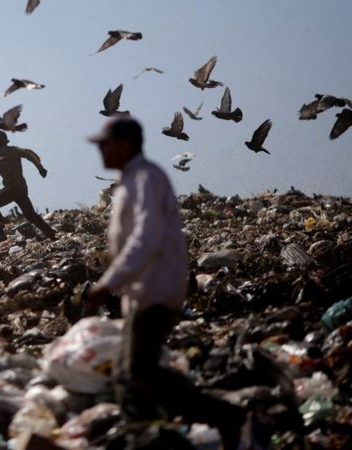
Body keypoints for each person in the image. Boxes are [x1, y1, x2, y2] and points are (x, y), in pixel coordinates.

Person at [85, 118, 246, 449]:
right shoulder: (129, 181)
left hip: (156, 290)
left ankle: (224, 416)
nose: (100, 150)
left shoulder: (147, 177)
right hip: (142, 293)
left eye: (105, 143)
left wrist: (107, 283)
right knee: (129, 376)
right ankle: (147, 435)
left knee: (138, 374)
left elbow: (147, 236)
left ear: (126, 144)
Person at [0, 131, 56, 242]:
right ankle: (50, 233)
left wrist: (40, 168)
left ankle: (0, 232)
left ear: (0, 140)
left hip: (16, 187)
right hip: (14, 189)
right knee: (30, 215)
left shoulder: (12, 150)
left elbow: (29, 154)